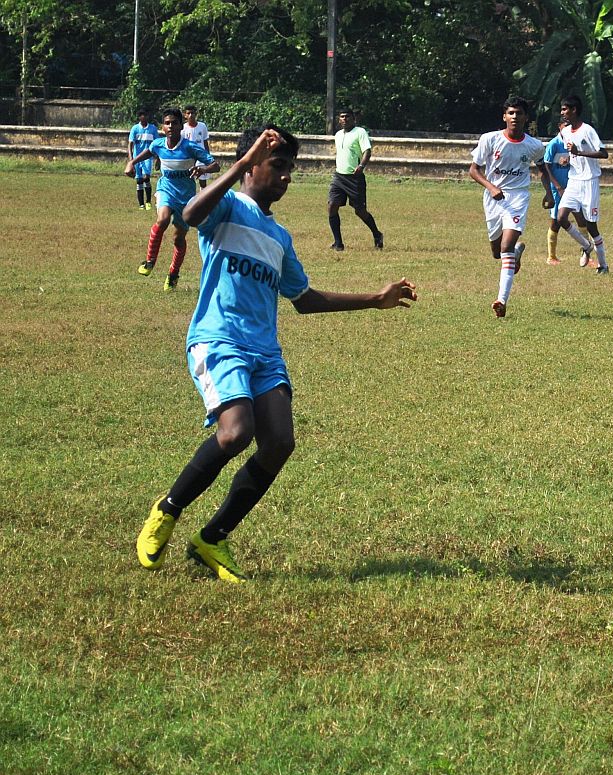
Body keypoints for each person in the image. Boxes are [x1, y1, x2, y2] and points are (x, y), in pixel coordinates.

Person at [134, 125, 417, 582]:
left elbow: (303, 299)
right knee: (234, 434)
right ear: (252, 163)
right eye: (278, 166)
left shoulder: (280, 237)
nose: (286, 177)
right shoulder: (225, 207)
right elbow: (188, 213)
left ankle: (212, 537)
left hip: (264, 351)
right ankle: (167, 510)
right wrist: (240, 165)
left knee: (280, 442)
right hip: (218, 338)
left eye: (291, 168)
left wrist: (374, 299)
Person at [468, 96, 554, 318]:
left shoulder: (534, 146)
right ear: (504, 116)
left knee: (505, 246)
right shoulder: (490, 139)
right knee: (498, 253)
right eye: (511, 113)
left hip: (517, 198)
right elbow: (474, 170)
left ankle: (501, 300)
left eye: (519, 113)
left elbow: (543, 169)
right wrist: (491, 187)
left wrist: (549, 192)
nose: (515, 117)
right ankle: (515, 255)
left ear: (526, 118)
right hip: (493, 198)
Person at [124, 107, 219, 291]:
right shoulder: (159, 144)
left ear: (181, 126)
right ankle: (150, 261)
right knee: (163, 219)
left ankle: (173, 273)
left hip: (186, 198)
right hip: (166, 189)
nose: (170, 126)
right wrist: (132, 162)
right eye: (167, 123)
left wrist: (203, 170)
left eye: (174, 123)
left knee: (178, 239)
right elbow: (149, 152)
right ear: (162, 127)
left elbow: (215, 165)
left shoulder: (190, 147)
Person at [552, 95, 610, 274]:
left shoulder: (588, 130)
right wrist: (565, 159)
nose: (562, 113)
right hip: (574, 180)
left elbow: (603, 154)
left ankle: (603, 265)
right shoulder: (565, 132)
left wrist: (580, 152)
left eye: (564, 109)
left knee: (591, 225)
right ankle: (586, 246)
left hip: (589, 181)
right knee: (561, 217)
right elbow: (571, 153)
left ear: (574, 110)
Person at [328, 108, 384, 251]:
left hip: (355, 178)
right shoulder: (338, 135)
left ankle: (377, 234)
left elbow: (367, 151)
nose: (344, 119)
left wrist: (361, 165)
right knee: (332, 206)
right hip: (339, 177)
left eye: (347, 116)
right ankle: (338, 243)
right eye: (341, 117)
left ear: (353, 118)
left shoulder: (360, 132)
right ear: (339, 119)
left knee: (360, 211)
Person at [543, 117, 589, 265]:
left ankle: (586, 253)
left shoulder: (572, 143)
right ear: (560, 126)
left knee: (581, 219)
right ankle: (551, 256)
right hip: (559, 189)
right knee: (556, 221)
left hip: (573, 188)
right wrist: (557, 187)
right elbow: (547, 167)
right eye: (566, 125)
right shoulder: (554, 144)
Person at [127, 109, 159, 210]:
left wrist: (158, 158)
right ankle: (141, 204)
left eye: (145, 115)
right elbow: (130, 144)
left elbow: (157, 143)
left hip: (148, 157)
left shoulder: (152, 129)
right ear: (139, 117)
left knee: (146, 178)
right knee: (139, 180)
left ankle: (148, 202)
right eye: (141, 115)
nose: (143, 117)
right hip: (137, 158)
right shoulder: (135, 129)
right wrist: (131, 160)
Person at [181, 105, 212, 191]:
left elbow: (205, 142)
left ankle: (203, 197)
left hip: (201, 156)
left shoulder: (202, 126)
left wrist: (207, 157)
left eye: (193, 113)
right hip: (188, 156)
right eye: (188, 113)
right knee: (189, 178)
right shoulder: (183, 128)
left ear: (196, 114)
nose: (191, 115)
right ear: (185, 115)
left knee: (202, 180)